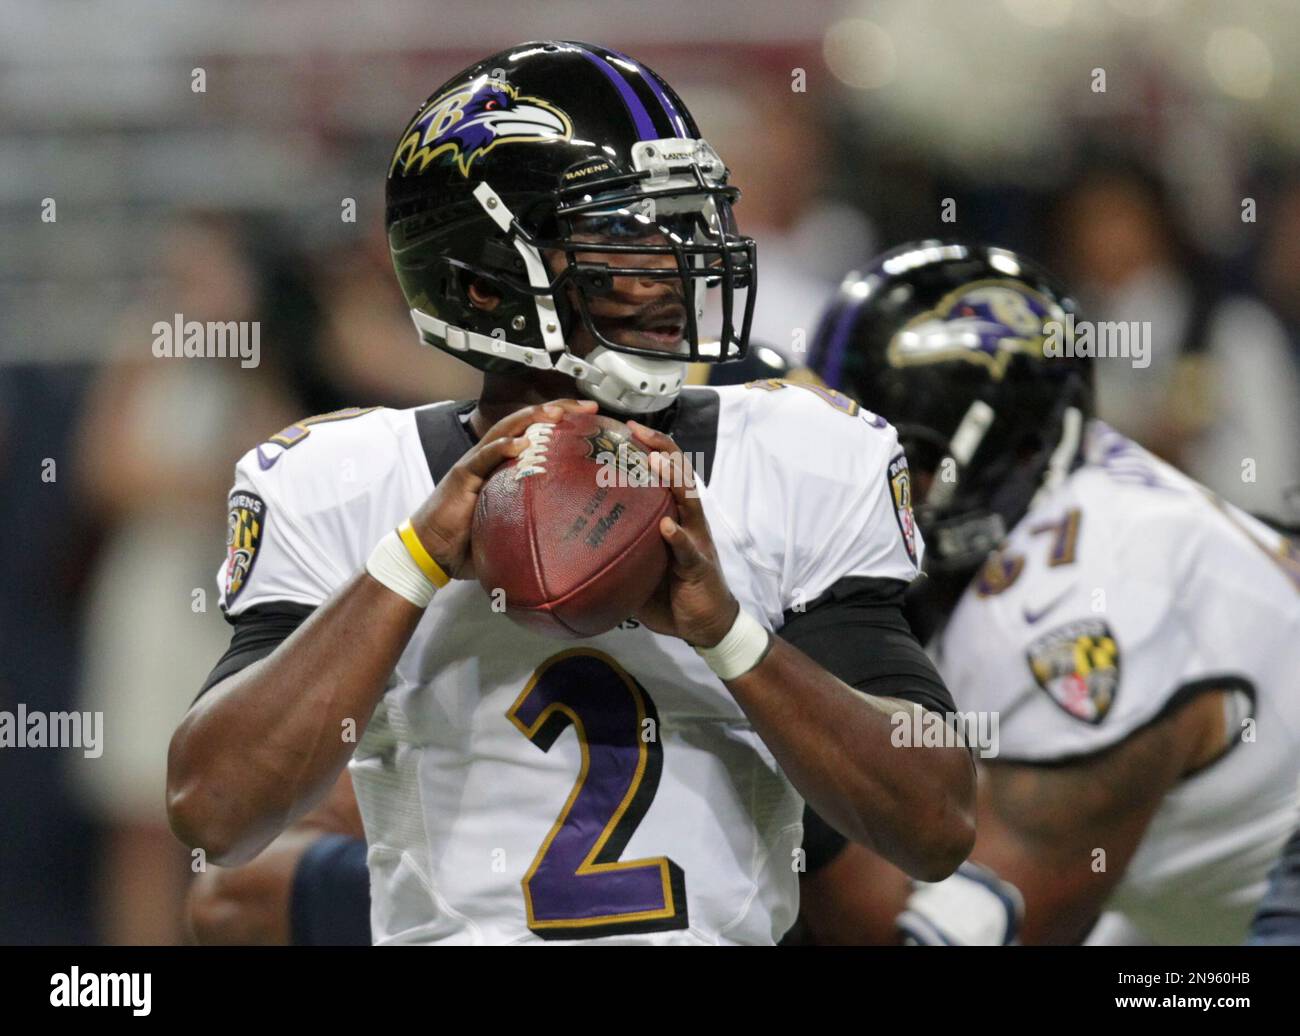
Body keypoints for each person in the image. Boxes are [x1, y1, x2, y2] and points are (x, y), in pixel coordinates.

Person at [167, 42, 973, 946]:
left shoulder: (799, 451)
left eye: (686, 222)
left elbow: (933, 823)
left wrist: (729, 633)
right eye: (625, 231)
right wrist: (411, 564)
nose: (676, 263)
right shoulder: (342, 480)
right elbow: (216, 813)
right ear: (482, 279)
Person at [797, 239, 1300, 945]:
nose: (857, 491)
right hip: (1184, 905)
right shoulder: (1060, 510)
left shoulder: (1091, 599)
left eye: (906, 461)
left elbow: (953, 935)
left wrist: (767, 706)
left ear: (1022, 450)